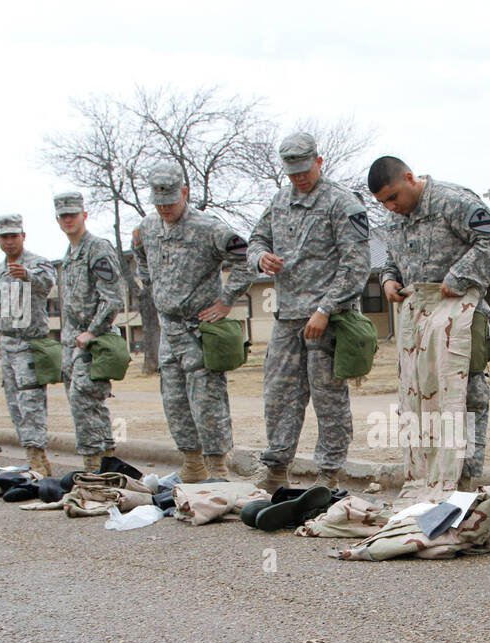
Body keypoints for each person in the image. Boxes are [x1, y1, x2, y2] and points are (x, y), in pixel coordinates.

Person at [368, 156, 490, 498]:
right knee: (418, 400)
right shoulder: (395, 218)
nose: (391, 207)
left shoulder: (452, 201)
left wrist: (460, 275)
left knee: (465, 400)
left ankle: (465, 485)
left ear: (409, 177)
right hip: (417, 321)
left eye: (393, 197)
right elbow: (391, 256)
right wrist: (388, 279)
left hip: (457, 317)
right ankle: (427, 482)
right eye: (383, 203)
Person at [246, 132, 371, 491]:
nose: (299, 178)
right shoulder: (280, 200)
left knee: (328, 399)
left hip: (327, 320)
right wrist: (260, 257)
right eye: (292, 172)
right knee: (279, 396)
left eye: (305, 170)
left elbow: (356, 265)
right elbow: (256, 239)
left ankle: (328, 475)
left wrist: (325, 308)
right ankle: (275, 471)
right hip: (287, 319)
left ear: (318, 162)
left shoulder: (341, 202)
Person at [132, 162, 254, 483]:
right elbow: (140, 255)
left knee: (207, 400)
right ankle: (192, 463)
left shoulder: (207, 227)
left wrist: (226, 300)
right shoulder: (147, 228)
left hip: (199, 330)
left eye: (170, 202)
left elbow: (246, 257)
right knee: (174, 401)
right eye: (159, 203)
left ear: (184, 192)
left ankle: (217, 467)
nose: (165, 209)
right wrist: (150, 284)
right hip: (168, 331)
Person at [54, 191, 125, 472]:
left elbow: (114, 298)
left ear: (84, 215)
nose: (69, 220)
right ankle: (105, 465)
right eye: (63, 216)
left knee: (85, 400)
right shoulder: (70, 255)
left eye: (73, 214)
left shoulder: (97, 248)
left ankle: (95, 465)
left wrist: (92, 332)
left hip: (93, 342)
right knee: (86, 403)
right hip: (74, 343)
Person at [0, 214, 57, 475]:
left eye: (13, 236)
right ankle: (30, 456)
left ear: (23, 236)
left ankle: (38, 457)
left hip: (30, 344)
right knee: (15, 405)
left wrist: (28, 276)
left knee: (31, 403)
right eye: (4, 237)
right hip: (7, 344)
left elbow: (48, 284)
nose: (9, 242)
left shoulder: (37, 263)